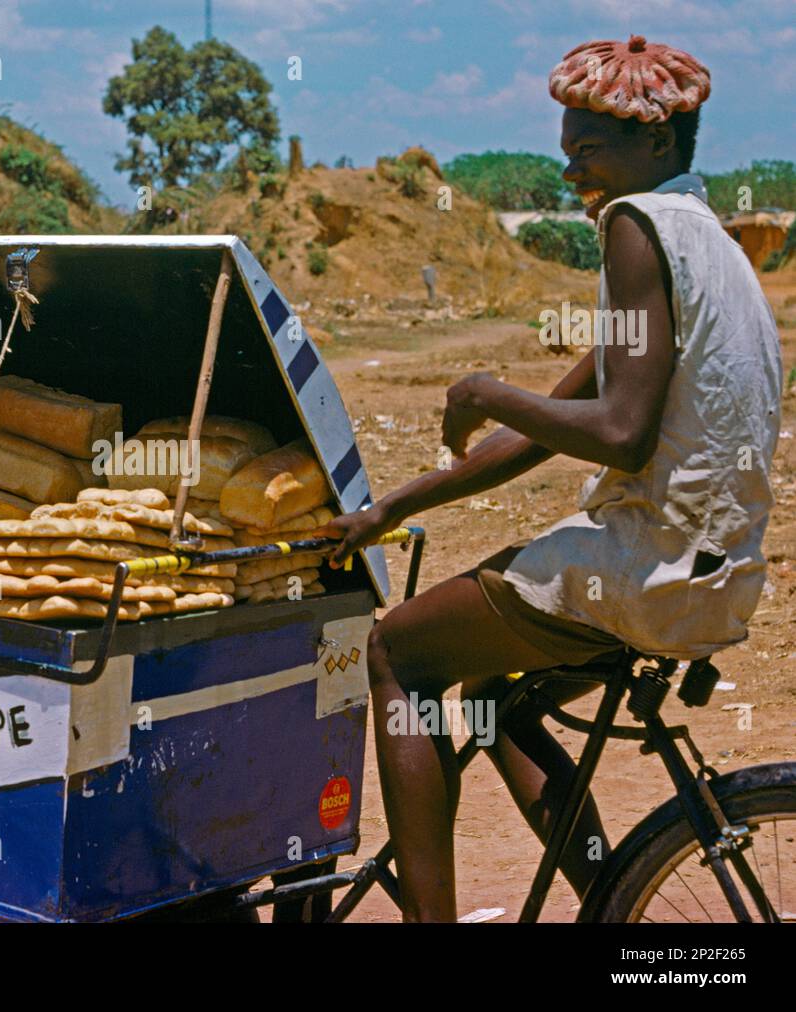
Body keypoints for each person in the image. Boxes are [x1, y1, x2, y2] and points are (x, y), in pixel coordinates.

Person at [318, 36, 781, 922]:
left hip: (642, 568)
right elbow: (536, 438)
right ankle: (615, 894)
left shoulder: (638, 231)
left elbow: (618, 431)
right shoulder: (712, 245)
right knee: (496, 699)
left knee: (398, 655)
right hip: (714, 577)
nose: (575, 172)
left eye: (591, 150)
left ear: (659, 145)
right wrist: (387, 509)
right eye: (567, 152)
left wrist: (486, 388)